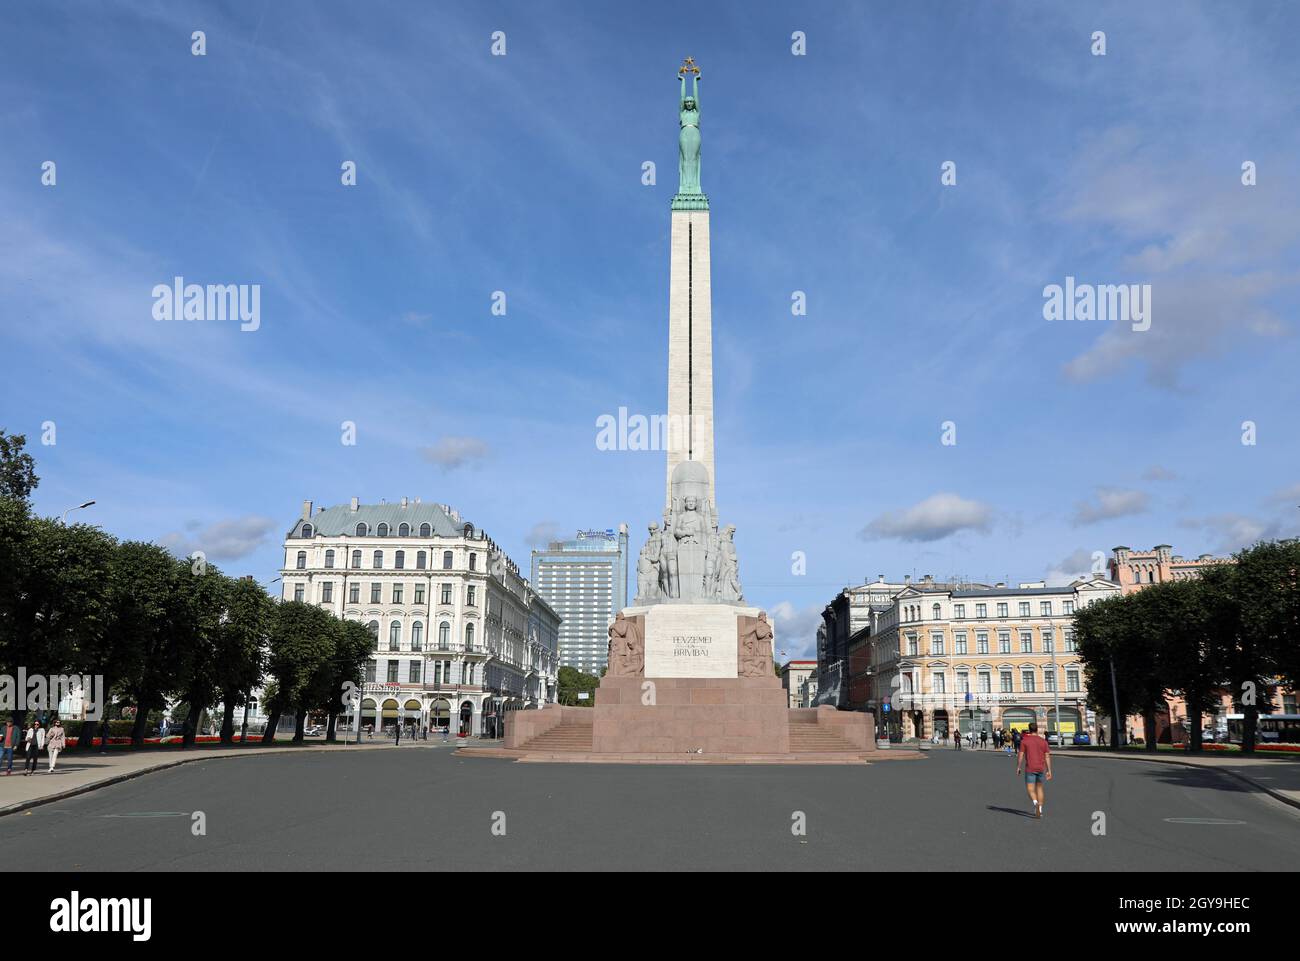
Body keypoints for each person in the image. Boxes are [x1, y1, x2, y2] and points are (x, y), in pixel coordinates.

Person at [1016, 721, 1053, 817]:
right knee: (1040, 788)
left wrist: (1018, 767)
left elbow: (1020, 755)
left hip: (1030, 768)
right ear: (1037, 729)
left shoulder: (1025, 741)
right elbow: (1047, 757)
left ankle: (1035, 803)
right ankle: (1040, 808)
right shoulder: (1043, 741)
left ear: (1029, 730)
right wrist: (1049, 770)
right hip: (1041, 768)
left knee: (1030, 789)